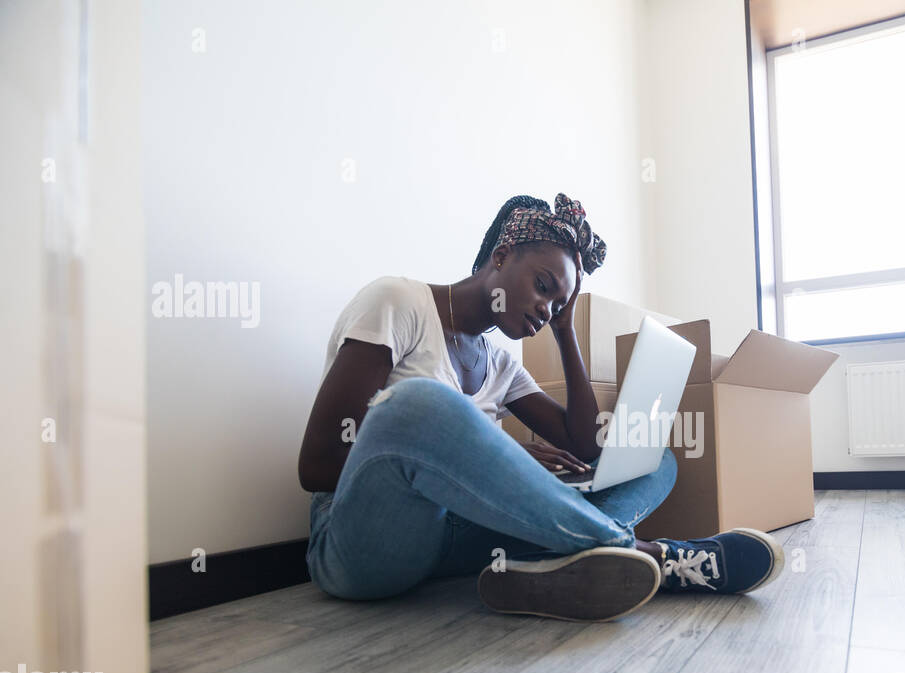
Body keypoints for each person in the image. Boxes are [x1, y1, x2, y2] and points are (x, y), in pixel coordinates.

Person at [296, 193, 784, 622]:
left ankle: (552, 569)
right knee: (418, 404)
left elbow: (584, 444)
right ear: (501, 255)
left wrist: (565, 329)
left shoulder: (501, 365)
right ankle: (653, 557)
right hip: (363, 544)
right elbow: (317, 465)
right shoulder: (398, 303)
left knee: (651, 457)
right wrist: (495, 454)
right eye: (544, 286)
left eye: (559, 304)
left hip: (457, 544)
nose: (545, 309)